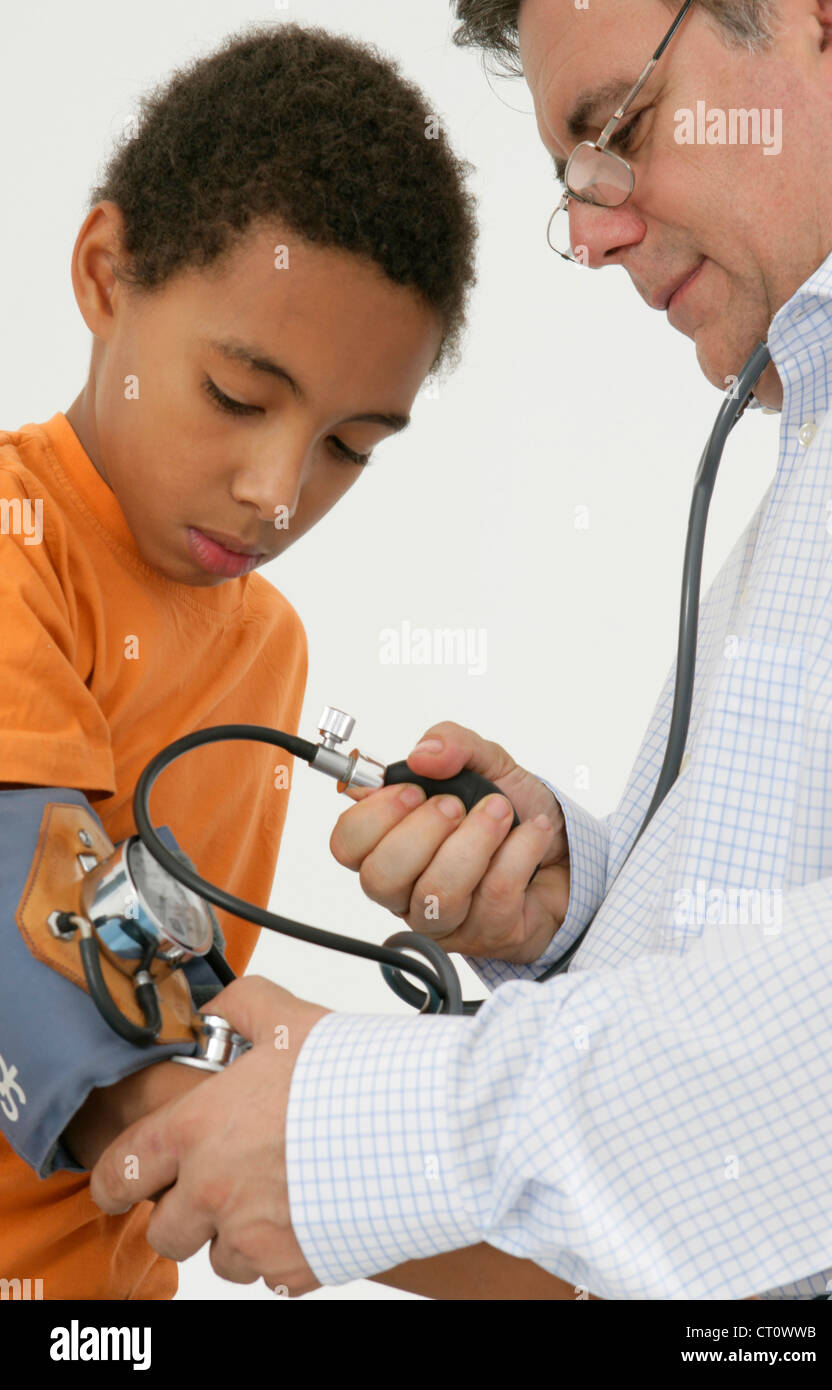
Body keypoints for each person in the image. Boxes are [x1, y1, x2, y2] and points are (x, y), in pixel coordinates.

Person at [90, 0, 832, 1301]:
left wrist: (369, 1129)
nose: (591, 235)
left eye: (620, 129)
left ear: (829, 19)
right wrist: (578, 912)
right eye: (571, 180)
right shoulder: (819, 450)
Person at [0, 20, 477, 1301]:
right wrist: (573, 1257)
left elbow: (173, 1000)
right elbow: (58, 993)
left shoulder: (269, 647)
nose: (277, 492)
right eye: (236, 395)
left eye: (349, 446)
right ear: (106, 275)